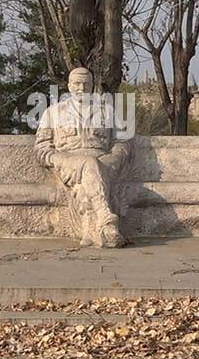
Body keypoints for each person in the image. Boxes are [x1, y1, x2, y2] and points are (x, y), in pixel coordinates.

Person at [34, 67, 131, 247]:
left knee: (88, 178)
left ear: (93, 86)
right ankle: (105, 217)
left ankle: (98, 233)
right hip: (68, 161)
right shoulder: (53, 112)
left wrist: (114, 160)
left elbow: (122, 143)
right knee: (89, 163)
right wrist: (58, 160)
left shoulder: (107, 111)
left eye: (86, 84)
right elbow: (41, 147)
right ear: (69, 86)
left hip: (102, 162)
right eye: (77, 83)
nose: (82, 88)